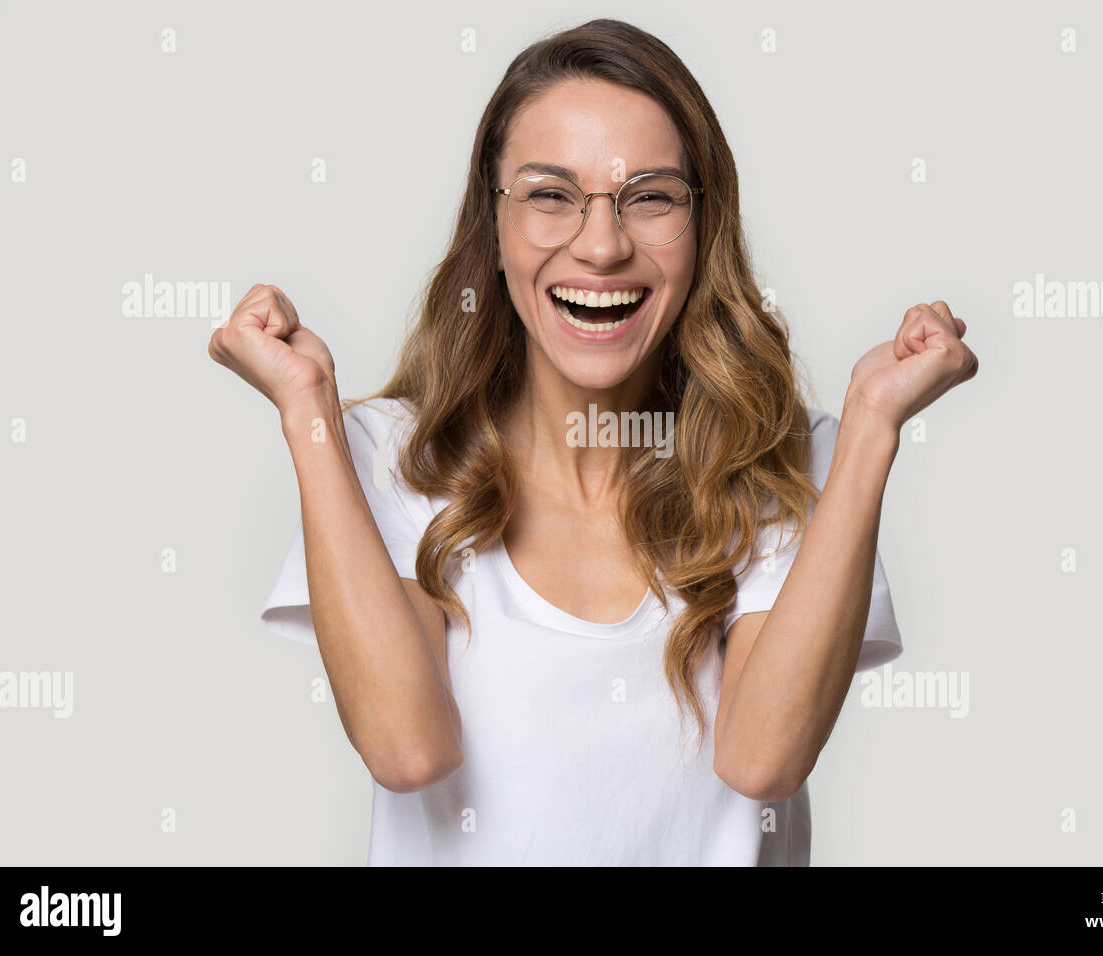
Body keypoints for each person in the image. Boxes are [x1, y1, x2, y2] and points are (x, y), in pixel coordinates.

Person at [207, 18, 978, 866]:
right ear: (492, 229)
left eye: (650, 196)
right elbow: (405, 749)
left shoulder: (788, 461)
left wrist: (873, 420)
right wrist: (306, 408)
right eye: (549, 194)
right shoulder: (391, 455)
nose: (603, 246)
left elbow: (765, 758)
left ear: (703, 224)